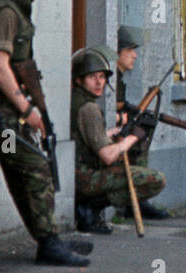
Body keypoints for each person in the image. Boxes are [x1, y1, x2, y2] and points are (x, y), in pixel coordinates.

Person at [0, 0, 91, 266]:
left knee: (22, 167)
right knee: (33, 166)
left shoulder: (7, 8)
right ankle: (48, 242)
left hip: (0, 105)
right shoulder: (6, 13)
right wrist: (27, 110)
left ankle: (47, 238)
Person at [70, 47, 166, 230]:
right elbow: (107, 156)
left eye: (102, 77)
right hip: (85, 178)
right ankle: (91, 206)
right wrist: (131, 139)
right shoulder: (89, 109)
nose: (99, 82)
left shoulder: (76, 101)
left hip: (76, 172)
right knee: (156, 180)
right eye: (92, 77)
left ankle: (89, 207)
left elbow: (86, 137)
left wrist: (112, 133)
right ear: (79, 80)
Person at [112, 25, 170, 219]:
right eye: (129, 50)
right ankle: (136, 200)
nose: (134, 56)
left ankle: (138, 199)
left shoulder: (117, 78)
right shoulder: (111, 78)